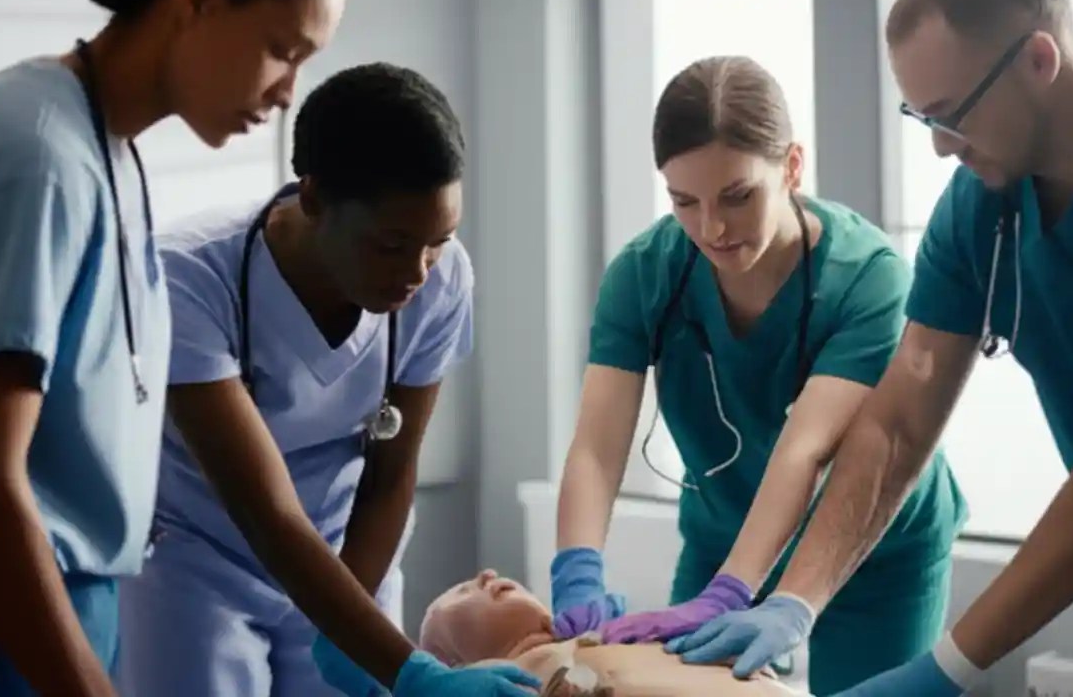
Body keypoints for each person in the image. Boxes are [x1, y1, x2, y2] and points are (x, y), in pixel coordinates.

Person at [666, 0, 1073, 696]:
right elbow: (897, 424)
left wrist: (946, 669)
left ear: (1040, 61)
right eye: (922, 118)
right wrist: (797, 600)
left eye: (954, 116)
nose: (942, 147)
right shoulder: (981, 210)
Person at [0, 0, 342, 694]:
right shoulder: (32, 156)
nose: (289, 91)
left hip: (60, 602)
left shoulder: (103, 148)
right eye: (279, 50)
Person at [117, 62, 540, 697]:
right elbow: (266, 511)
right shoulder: (188, 280)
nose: (419, 272)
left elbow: (391, 475)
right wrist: (411, 671)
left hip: (349, 558)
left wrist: (350, 632)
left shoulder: (442, 278)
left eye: (438, 241)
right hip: (199, 565)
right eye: (392, 245)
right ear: (312, 198)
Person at [550, 55, 968, 695]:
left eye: (737, 196)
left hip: (871, 552)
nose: (711, 228)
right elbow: (598, 449)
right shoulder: (644, 273)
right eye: (684, 201)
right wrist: (577, 566)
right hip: (724, 536)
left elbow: (806, 448)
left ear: (792, 167)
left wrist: (729, 596)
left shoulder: (868, 278)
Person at [405, 568, 810, 697]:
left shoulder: (619, 634)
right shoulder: (500, 677)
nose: (487, 574)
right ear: (451, 665)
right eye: (463, 590)